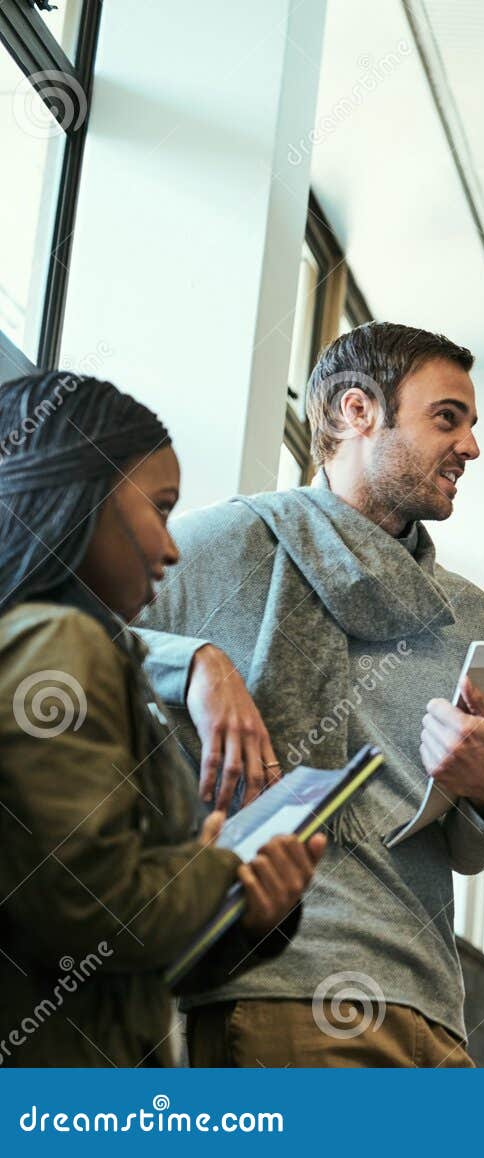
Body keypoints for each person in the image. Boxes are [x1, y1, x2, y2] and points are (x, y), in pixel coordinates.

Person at [133, 322, 484, 1067]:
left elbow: (468, 850)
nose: (470, 447)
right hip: (277, 981)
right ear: (356, 411)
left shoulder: (468, 613)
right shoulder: (228, 545)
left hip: (431, 996)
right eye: (448, 418)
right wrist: (195, 666)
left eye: (473, 425)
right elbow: (53, 635)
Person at [0, 372, 323, 1067]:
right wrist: (218, 867)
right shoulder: (61, 644)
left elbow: (119, 961)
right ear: (80, 496)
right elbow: (87, 907)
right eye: (161, 508)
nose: (172, 549)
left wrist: (248, 913)